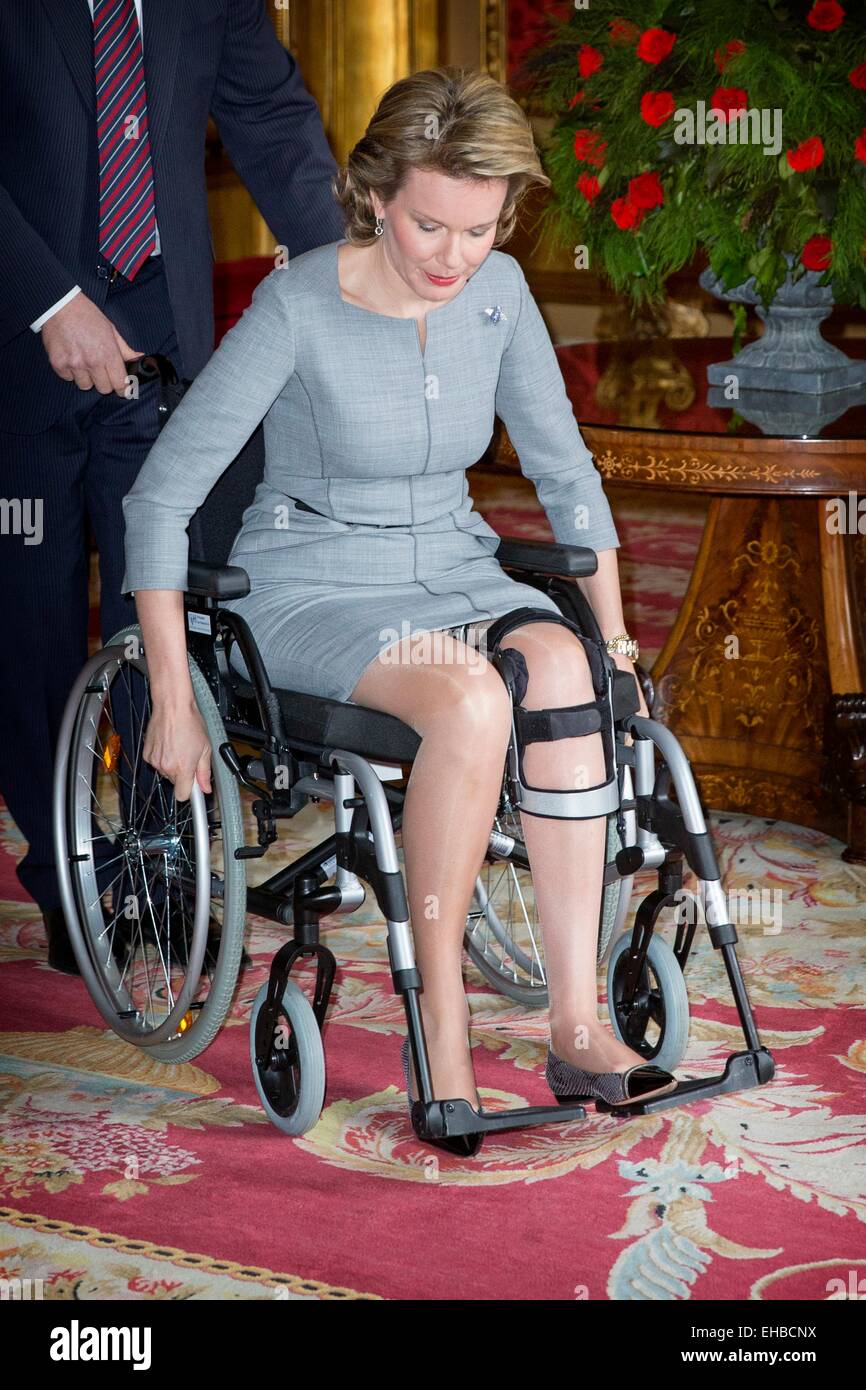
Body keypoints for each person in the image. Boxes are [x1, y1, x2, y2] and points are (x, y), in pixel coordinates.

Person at [121, 66, 676, 1109]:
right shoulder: (297, 304)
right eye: (429, 226)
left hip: (450, 562)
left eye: (480, 230)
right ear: (376, 195)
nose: (453, 258)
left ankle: (574, 1024)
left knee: (557, 667)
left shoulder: (497, 295)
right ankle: (442, 1029)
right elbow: (157, 502)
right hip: (310, 585)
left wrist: (611, 646)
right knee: (468, 692)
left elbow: (563, 472)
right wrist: (164, 689)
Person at [0, 0, 344, 973]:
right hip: (14, 328)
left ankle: (153, 857)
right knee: (27, 617)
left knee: (156, 602)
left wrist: (344, 283)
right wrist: (48, 302)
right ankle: (66, 864)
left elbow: (272, 121)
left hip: (159, 331)